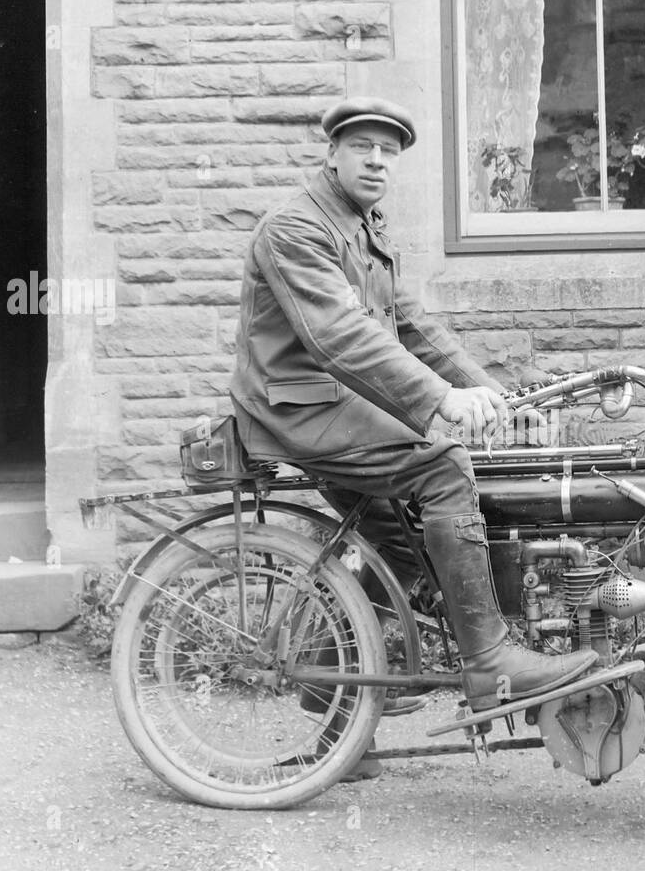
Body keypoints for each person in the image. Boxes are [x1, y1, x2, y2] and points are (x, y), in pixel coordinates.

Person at [229, 96, 596, 777]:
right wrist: (441, 402)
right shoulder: (295, 229)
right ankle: (491, 661)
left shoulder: (362, 227)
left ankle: (334, 706)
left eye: (387, 152)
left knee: (397, 546)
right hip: (301, 406)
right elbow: (342, 338)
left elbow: (411, 325)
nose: (376, 161)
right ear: (331, 152)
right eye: (362, 147)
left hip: (343, 402)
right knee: (445, 467)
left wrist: (488, 390)